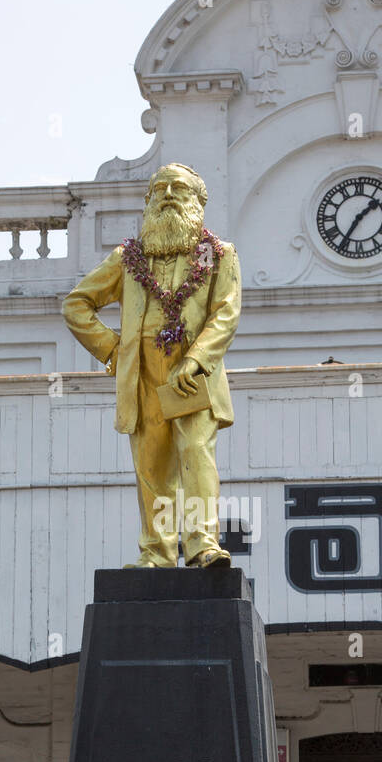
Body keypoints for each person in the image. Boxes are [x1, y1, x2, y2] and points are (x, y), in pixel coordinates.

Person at [63, 162, 242, 568]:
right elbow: (76, 304)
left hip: (191, 373)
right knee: (152, 466)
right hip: (142, 372)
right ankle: (158, 553)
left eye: (178, 188)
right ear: (147, 202)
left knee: (196, 454)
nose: (167, 195)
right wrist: (114, 349)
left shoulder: (219, 255)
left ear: (198, 201)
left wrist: (195, 360)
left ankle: (202, 545)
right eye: (158, 189)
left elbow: (226, 315)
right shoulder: (127, 259)